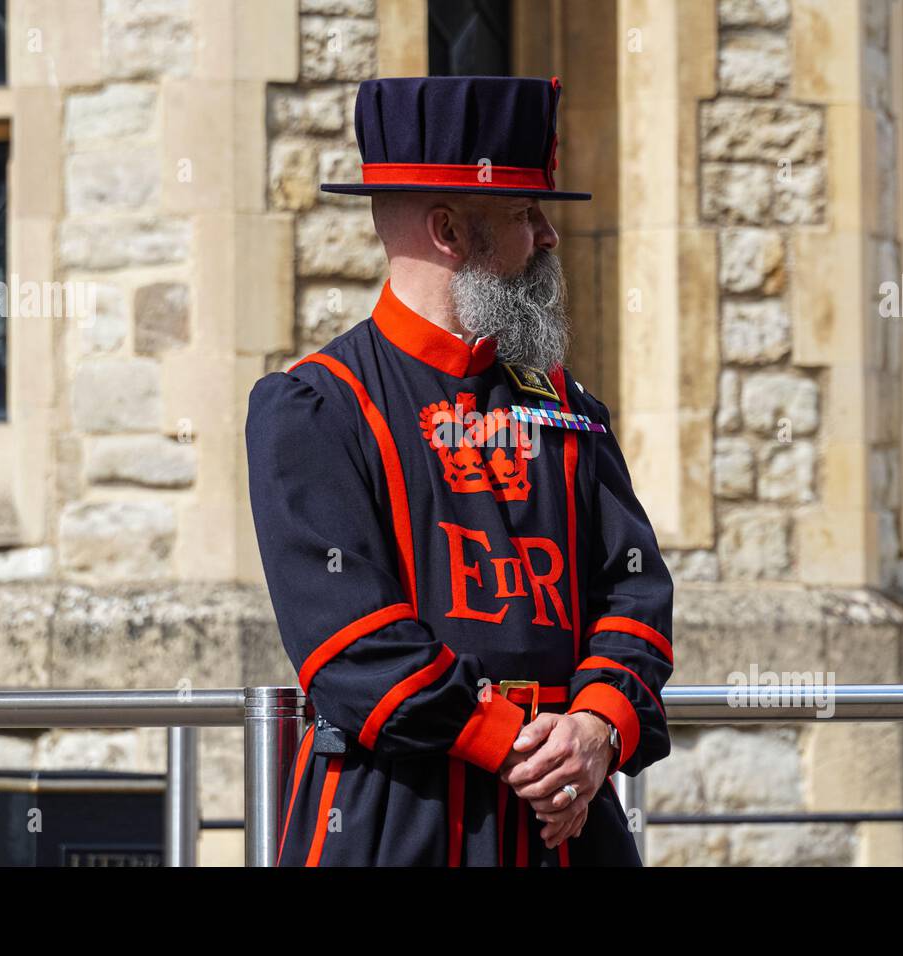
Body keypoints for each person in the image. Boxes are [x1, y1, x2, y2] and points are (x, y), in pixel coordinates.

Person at [245, 75, 673, 866]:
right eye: (523, 214)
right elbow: (351, 648)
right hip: (396, 819)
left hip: (568, 826)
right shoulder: (314, 409)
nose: (548, 236)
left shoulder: (566, 403)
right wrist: (515, 745)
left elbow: (637, 590)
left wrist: (595, 729)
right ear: (448, 230)